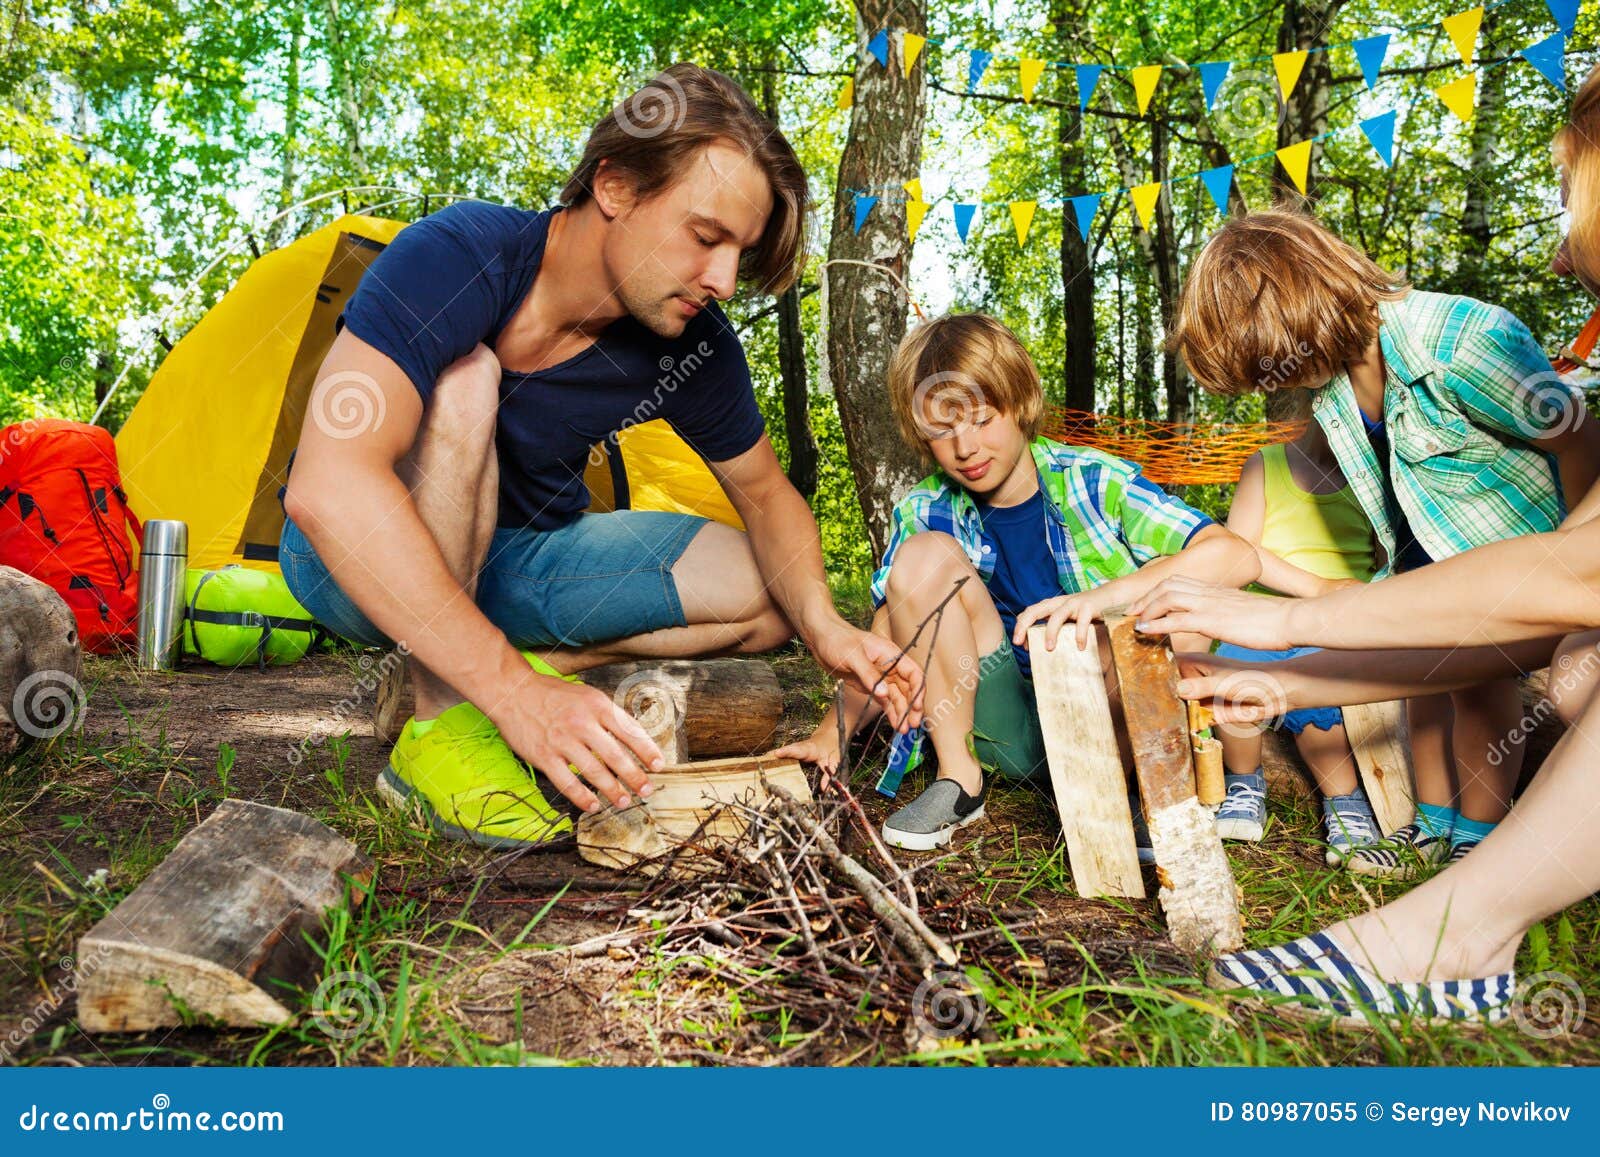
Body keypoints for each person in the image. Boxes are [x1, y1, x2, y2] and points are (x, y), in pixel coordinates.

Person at [281, 65, 921, 851]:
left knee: (772, 587)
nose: (722, 279)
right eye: (705, 236)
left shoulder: (692, 342)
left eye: (739, 253)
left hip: (524, 560)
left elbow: (766, 496)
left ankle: (487, 661)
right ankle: (444, 716)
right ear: (615, 186)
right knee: (466, 380)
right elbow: (329, 484)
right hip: (354, 556)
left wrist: (827, 628)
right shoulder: (457, 253)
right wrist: (514, 694)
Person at [1121, 62, 1600, 1024]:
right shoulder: (1340, 406)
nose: (1559, 256)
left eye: (1575, 206)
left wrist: (1296, 619)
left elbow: (1578, 477)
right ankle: (1459, 870)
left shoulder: (1457, 340)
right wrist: (1285, 680)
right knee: (1516, 672)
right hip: (1501, 595)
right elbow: (1454, 601)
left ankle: (1467, 894)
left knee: (1557, 676)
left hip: (1532, 574)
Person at [1167, 207, 1600, 883]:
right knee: (1423, 691)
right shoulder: (1334, 392)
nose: (1272, 384)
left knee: (1480, 688)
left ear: (1298, 305)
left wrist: (1570, 559)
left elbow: (1578, 441)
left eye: (1267, 364)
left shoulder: (1461, 338)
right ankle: (1431, 827)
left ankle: (1477, 835)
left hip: (1516, 563)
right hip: (1424, 558)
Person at [773, 313, 1258, 850]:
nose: (965, 448)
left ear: (1020, 403)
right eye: (942, 431)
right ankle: (960, 780)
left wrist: (1097, 601)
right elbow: (887, 640)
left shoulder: (1096, 480)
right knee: (920, 558)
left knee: (1176, 618)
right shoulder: (926, 509)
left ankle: (1135, 788)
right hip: (999, 724)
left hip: (1105, 713)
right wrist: (829, 735)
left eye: (981, 420)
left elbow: (1234, 557)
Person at [1208, 420, 1391, 866]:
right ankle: (1243, 784)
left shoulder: (1378, 475)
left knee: (1318, 693)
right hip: (1261, 617)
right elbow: (1239, 551)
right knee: (1233, 674)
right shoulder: (1265, 465)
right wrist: (1312, 589)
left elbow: (1386, 560)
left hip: (1339, 623)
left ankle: (1344, 802)